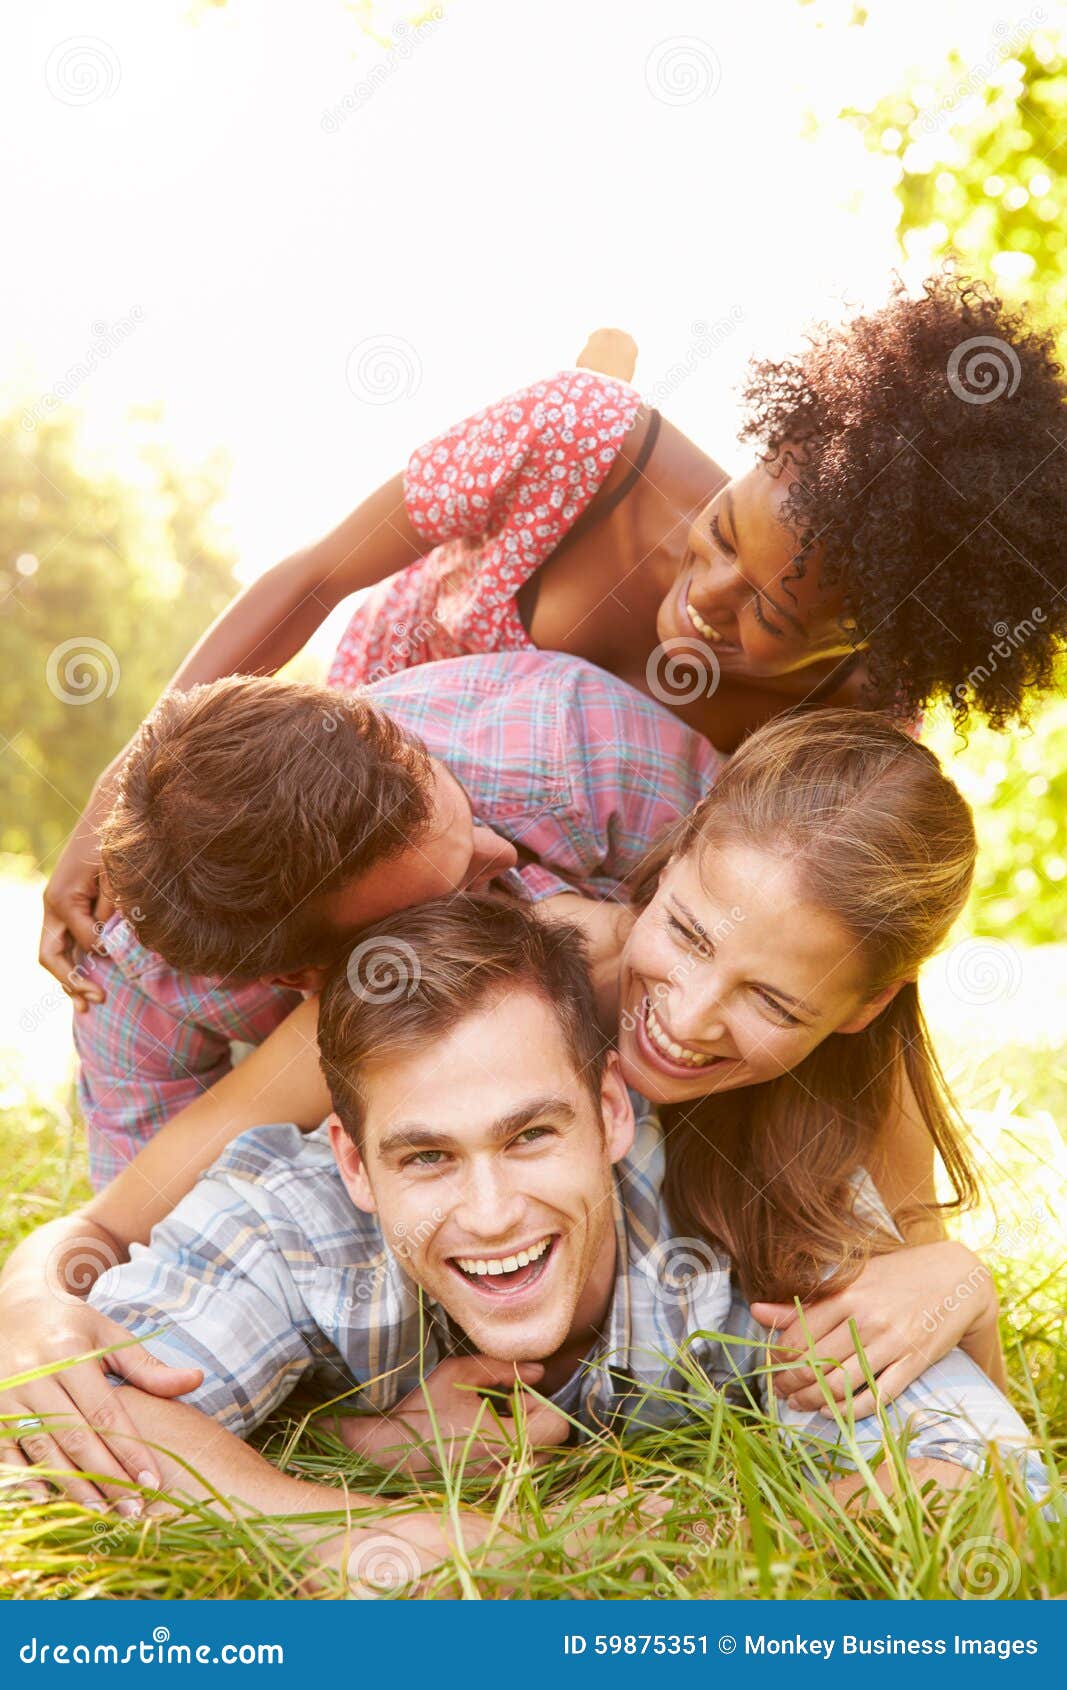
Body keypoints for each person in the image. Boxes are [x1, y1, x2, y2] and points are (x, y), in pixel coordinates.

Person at [0, 712, 1007, 1495]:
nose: (688, 1020)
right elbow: (114, 1222)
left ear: (858, 1007)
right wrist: (37, 1294)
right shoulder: (454, 986)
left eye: (772, 1001)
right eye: (689, 938)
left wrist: (960, 1276)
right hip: (388, 1301)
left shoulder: (839, 1087)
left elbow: (924, 1308)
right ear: (678, 845)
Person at [40, 276, 1067, 1007]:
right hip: (367, 792)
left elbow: (816, 940)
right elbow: (313, 574)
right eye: (716, 534)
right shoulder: (576, 437)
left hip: (547, 899)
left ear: (869, 642)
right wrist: (113, 797)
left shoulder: (857, 719)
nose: (698, 595)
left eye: (764, 613)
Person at [73, 651, 722, 1182]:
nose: (500, 853)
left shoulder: (575, 741)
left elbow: (789, 929)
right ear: (303, 975)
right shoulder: (129, 986)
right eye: (459, 886)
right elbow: (155, 1224)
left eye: (459, 813)